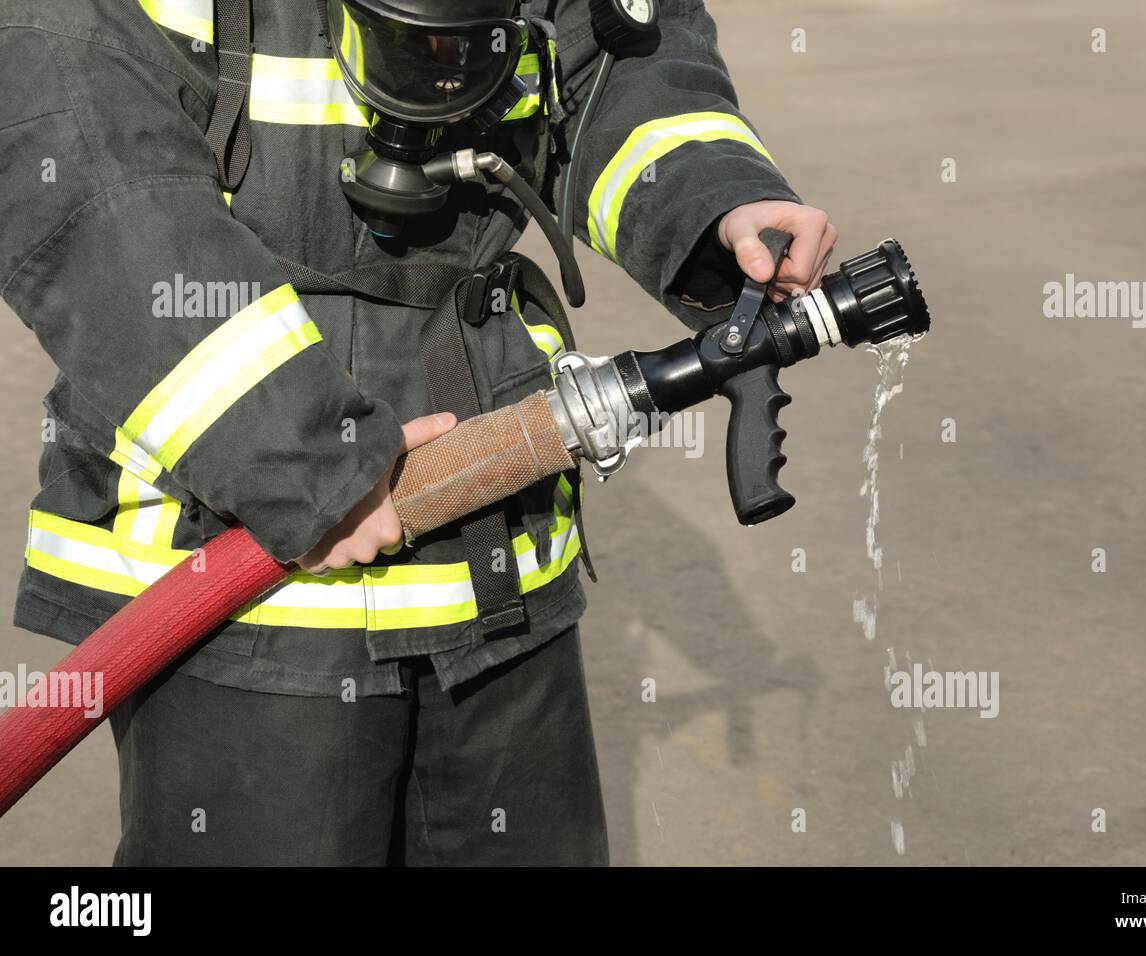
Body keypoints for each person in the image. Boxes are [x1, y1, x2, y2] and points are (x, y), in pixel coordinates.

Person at [0, 0, 837, 865]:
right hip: (245, 581)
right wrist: (295, 451)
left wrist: (715, 204)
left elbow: (607, 55)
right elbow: (88, 176)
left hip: (495, 553)